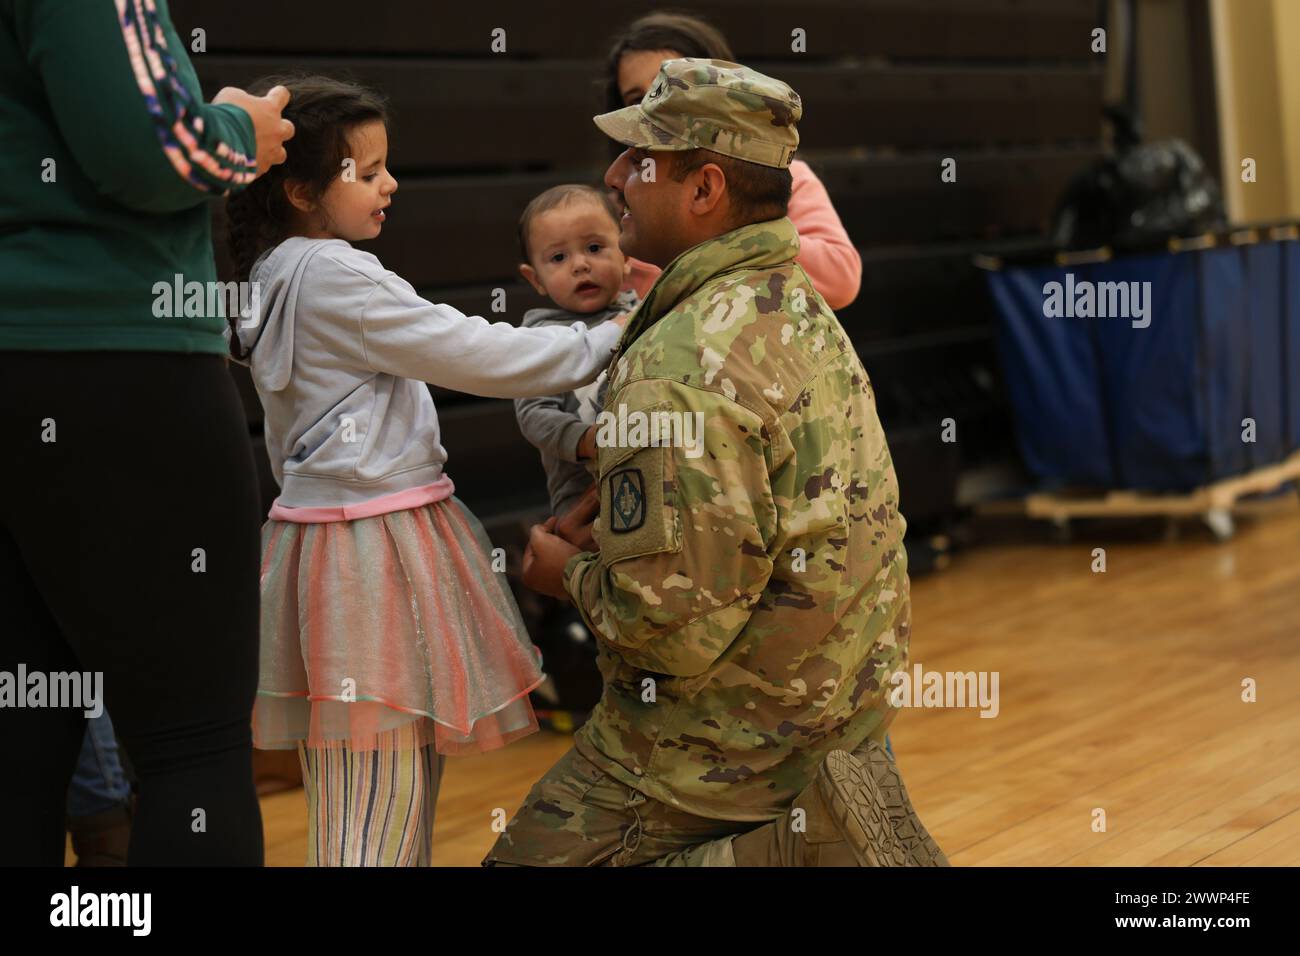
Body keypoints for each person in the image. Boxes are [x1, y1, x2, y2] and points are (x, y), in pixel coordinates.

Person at [486, 58, 947, 866]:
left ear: (703, 190)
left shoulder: (678, 362)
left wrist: (567, 576)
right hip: (846, 706)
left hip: (721, 744)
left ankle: (778, 853)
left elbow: (672, 635)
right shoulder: (790, 297)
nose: (614, 176)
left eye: (641, 160)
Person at [225, 75, 629, 866]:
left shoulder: (275, 271)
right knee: (373, 818)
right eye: (367, 172)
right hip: (368, 553)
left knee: (378, 798)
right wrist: (614, 333)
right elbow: (480, 353)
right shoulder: (335, 276)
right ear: (304, 190)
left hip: (338, 548)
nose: (390, 184)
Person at [0, 0, 293, 865]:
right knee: (190, 744)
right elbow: (158, 148)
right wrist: (243, 126)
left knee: (20, 740)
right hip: (111, 352)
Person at [602, 12, 863, 311]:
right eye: (636, 98)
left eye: (669, 87)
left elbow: (841, 278)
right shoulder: (618, 204)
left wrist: (726, 216)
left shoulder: (787, 176)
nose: (652, 107)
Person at [513, 184, 639, 524]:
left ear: (626, 255)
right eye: (558, 257)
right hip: (584, 500)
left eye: (595, 247)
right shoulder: (540, 340)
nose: (580, 265)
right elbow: (534, 416)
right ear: (535, 278)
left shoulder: (645, 315)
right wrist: (585, 441)